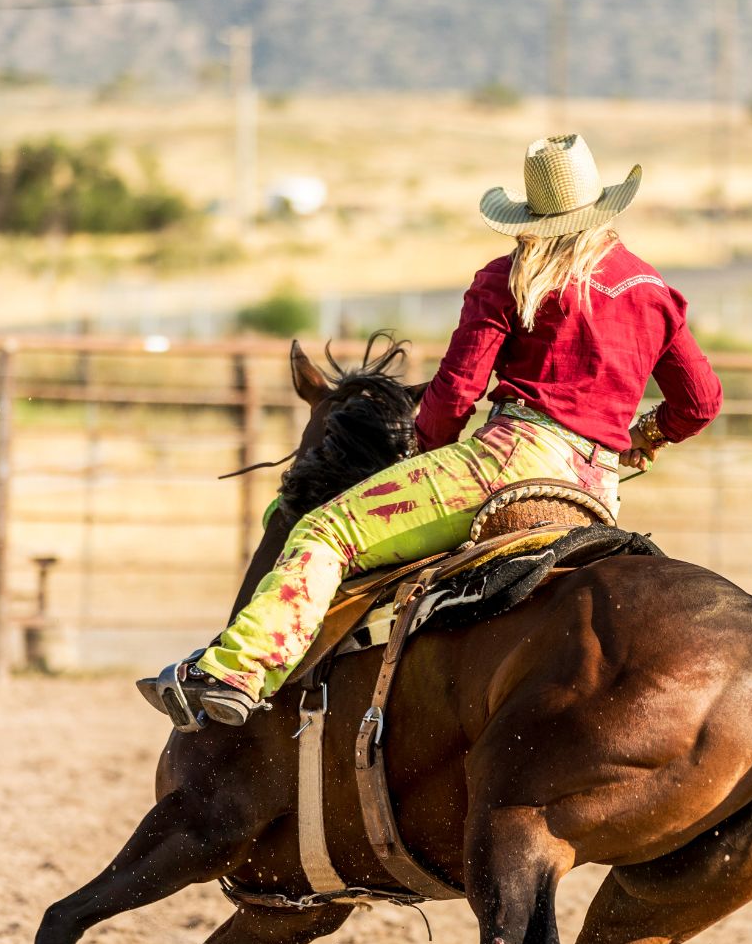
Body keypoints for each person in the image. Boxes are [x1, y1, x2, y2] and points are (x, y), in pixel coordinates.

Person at [148, 134, 722, 726]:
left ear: (530, 216)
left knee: (328, 529)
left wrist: (422, 457)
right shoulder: (652, 291)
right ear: (604, 207)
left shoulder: (511, 278)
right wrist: (647, 433)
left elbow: (453, 397)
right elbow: (702, 402)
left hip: (506, 468)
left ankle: (235, 673)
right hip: (595, 494)